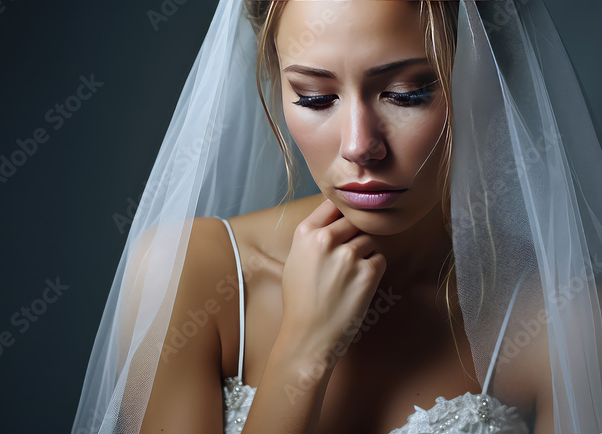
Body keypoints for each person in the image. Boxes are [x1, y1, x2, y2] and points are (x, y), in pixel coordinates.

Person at [72, 1, 602, 433]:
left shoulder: (560, 314)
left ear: (488, 82)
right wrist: (303, 351)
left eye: (406, 93)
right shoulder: (187, 273)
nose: (358, 147)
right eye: (316, 96)